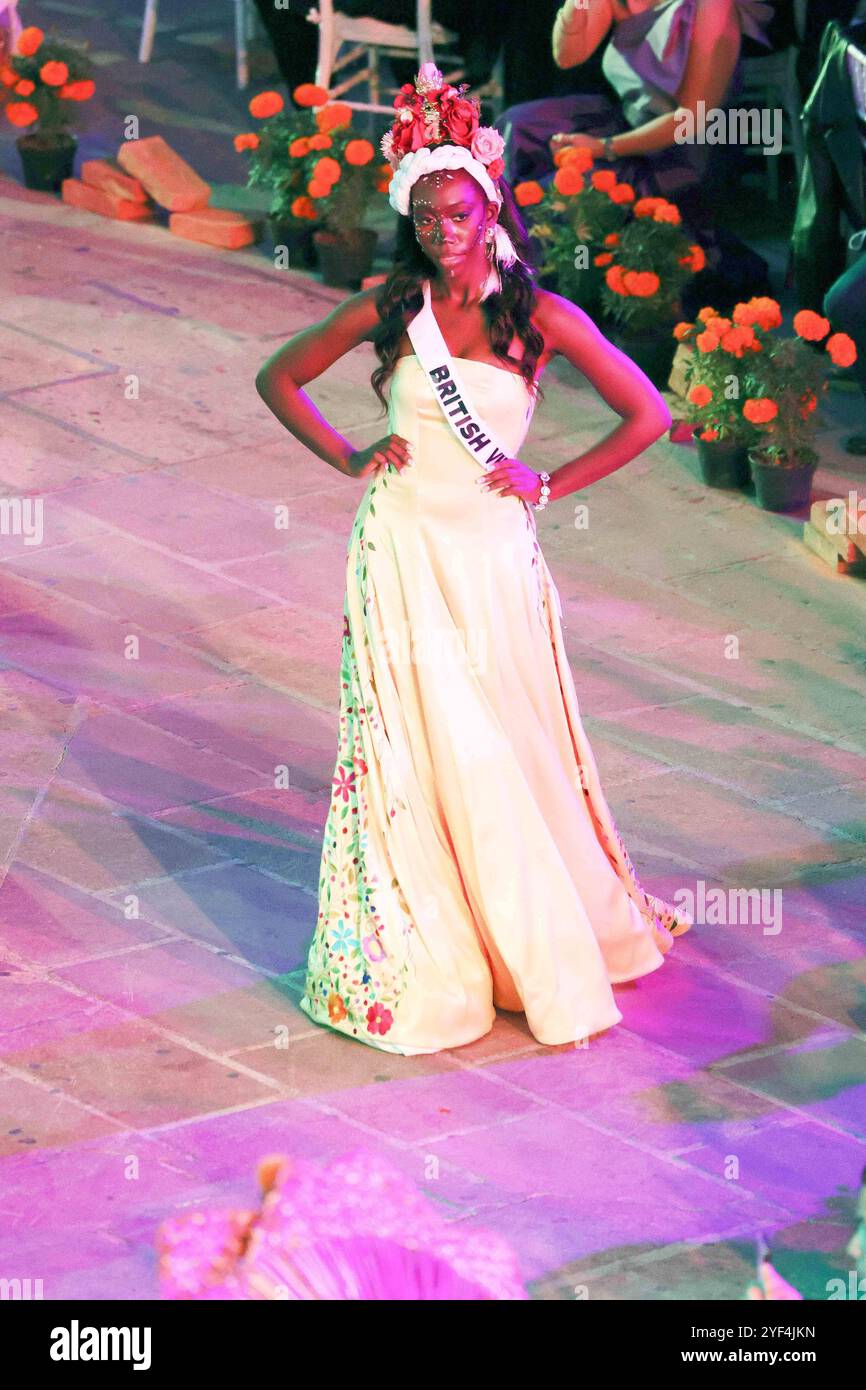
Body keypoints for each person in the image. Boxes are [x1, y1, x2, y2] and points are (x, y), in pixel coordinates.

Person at [256, 62, 692, 1056]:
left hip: (492, 562)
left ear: (487, 207)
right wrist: (344, 452)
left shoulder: (536, 319)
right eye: (425, 218)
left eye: (458, 213)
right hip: (400, 551)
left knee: (501, 747)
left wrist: (550, 483)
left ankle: (525, 945)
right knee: (420, 749)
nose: (443, 234)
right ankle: (441, 949)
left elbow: (649, 414)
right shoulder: (388, 306)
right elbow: (277, 375)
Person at [496, 0, 775, 313]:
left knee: (569, 184)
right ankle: (515, 272)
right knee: (518, 127)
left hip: (685, 151)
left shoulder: (712, 7)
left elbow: (691, 120)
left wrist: (602, 147)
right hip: (630, 122)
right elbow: (568, 57)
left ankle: (558, 298)